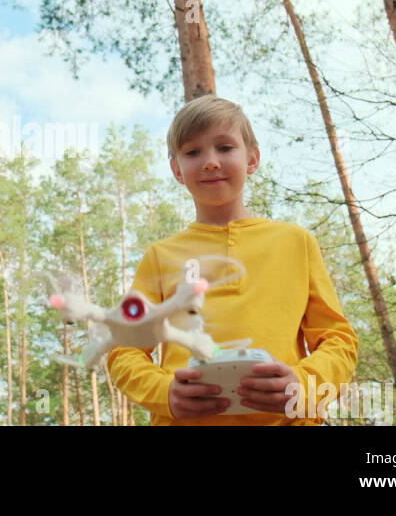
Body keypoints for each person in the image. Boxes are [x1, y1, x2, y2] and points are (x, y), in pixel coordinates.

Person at [106, 95, 358, 425]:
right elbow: (125, 349)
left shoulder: (296, 242)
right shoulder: (160, 256)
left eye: (225, 148)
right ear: (177, 170)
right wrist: (164, 392)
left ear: (252, 159)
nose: (210, 161)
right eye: (193, 152)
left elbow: (338, 339)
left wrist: (304, 385)